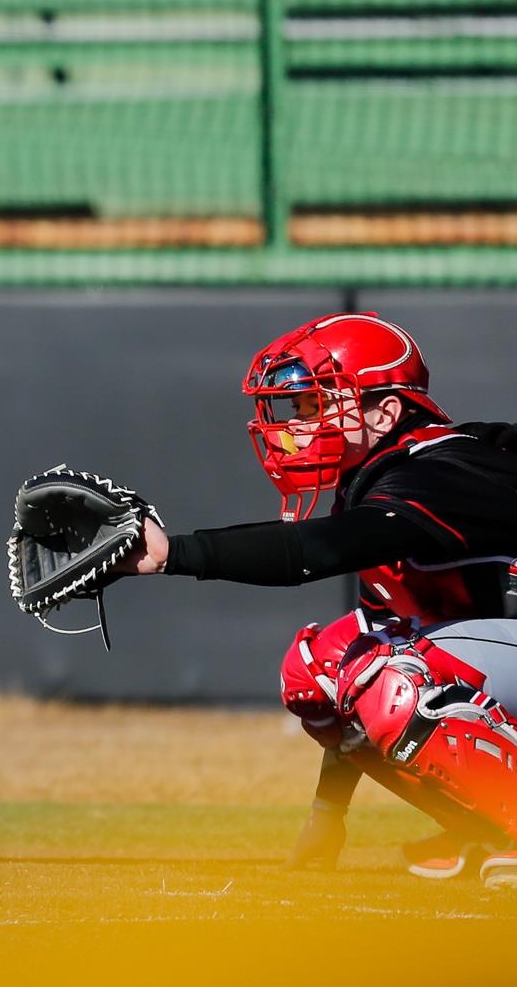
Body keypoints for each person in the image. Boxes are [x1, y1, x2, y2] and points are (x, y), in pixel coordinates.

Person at [106, 312, 517, 887]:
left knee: (389, 678)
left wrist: (173, 553)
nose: (297, 427)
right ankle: (485, 828)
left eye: (316, 405)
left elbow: (316, 551)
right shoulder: (381, 476)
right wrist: (329, 814)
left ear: (385, 412)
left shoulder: (439, 470)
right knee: (322, 668)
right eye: (297, 410)